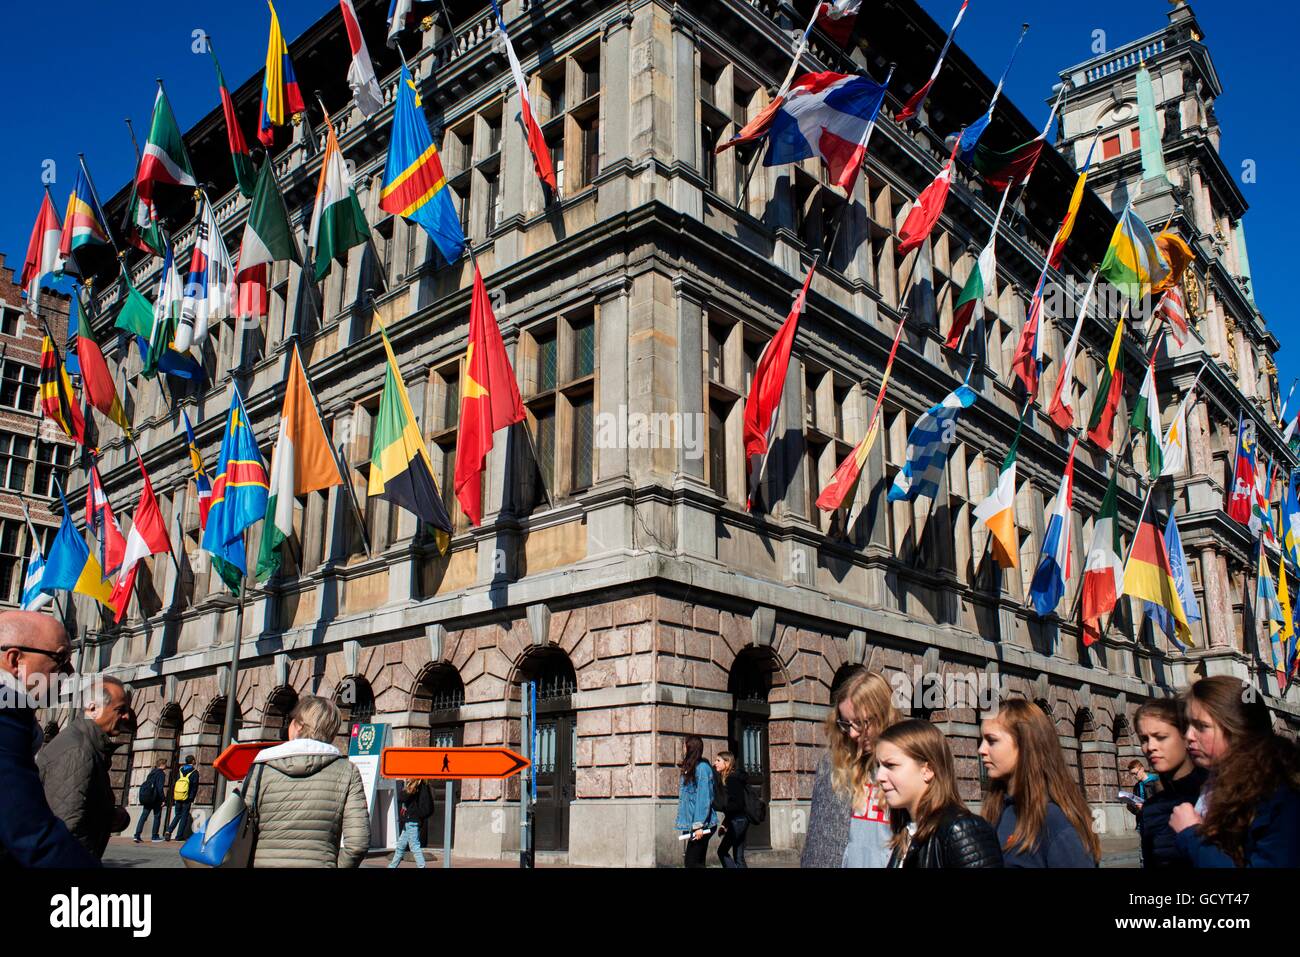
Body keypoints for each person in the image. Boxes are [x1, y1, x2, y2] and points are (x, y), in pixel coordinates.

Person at [0, 611, 99, 868]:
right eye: (61, 658)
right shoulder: (5, 716)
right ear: (15, 659)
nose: (69, 671)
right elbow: (30, 833)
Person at [1169, 675, 1300, 867]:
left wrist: (1191, 834)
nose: (1188, 736)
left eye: (1202, 726)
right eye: (1186, 725)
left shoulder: (1277, 793)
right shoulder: (1206, 784)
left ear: (1237, 730)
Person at [246, 695, 370, 867]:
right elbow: (358, 844)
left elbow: (241, 827)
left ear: (298, 726)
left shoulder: (261, 768)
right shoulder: (347, 771)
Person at [979, 698, 1101, 867]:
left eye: (991, 740)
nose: (981, 750)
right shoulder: (997, 810)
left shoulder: (1056, 823)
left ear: (1025, 743)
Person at [801, 669, 901, 868]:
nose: (853, 733)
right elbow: (819, 846)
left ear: (884, 716)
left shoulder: (907, 766)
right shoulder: (834, 765)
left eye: (861, 723)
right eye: (847, 724)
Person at [874, 719, 1003, 868]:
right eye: (879, 765)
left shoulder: (961, 830)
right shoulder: (906, 831)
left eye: (891, 765)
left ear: (928, 770)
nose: (879, 776)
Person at [37, 675, 133, 859]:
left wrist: (108, 815)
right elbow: (67, 825)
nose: (126, 716)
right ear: (93, 708)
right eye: (120, 710)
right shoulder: (78, 751)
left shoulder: (86, 745)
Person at [1133, 697, 1207, 868]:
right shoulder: (1151, 809)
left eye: (1160, 737)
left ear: (1186, 736)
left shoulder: (1218, 794)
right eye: (1144, 739)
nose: (1150, 747)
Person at [675, 735, 716, 867]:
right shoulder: (691, 767)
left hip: (702, 824)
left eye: (684, 745)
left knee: (692, 862)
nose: (682, 748)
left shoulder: (702, 768)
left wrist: (699, 825)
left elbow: (704, 798)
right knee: (695, 862)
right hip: (694, 823)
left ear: (691, 747)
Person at [712, 751, 749, 868]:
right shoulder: (730, 778)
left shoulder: (732, 779)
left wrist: (721, 806)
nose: (715, 763)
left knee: (722, 852)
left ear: (727, 763)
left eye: (718, 761)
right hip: (740, 820)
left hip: (738, 821)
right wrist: (725, 824)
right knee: (739, 857)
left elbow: (737, 804)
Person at [389, 779, 433, 868]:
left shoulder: (414, 785)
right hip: (411, 820)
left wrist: (406, 785)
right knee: (401, 846)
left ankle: (422, 866)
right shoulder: (424, 785)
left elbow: (402, 797)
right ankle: (392, 866)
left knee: (414, 846)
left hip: (411, 820)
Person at [164, 754, 199, 842]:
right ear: (193, 761)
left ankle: (169, 831)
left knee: (177, 815)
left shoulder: (180, 770)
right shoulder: (194, 772)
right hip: (187, 797)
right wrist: (192, 797)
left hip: (178, 795)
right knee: (184, 816)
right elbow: (194, 786)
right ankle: (179, 836)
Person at [134, 759, 169, 844]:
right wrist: (163, 799)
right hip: (155, 798)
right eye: (166, 764)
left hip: (148, 797)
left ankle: (137, 835)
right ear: (163, 765)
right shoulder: (161, 774)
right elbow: (160, 788)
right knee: (157, 816)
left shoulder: (152, 772)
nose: (166, 766)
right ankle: (155, 836)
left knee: (143, 816)